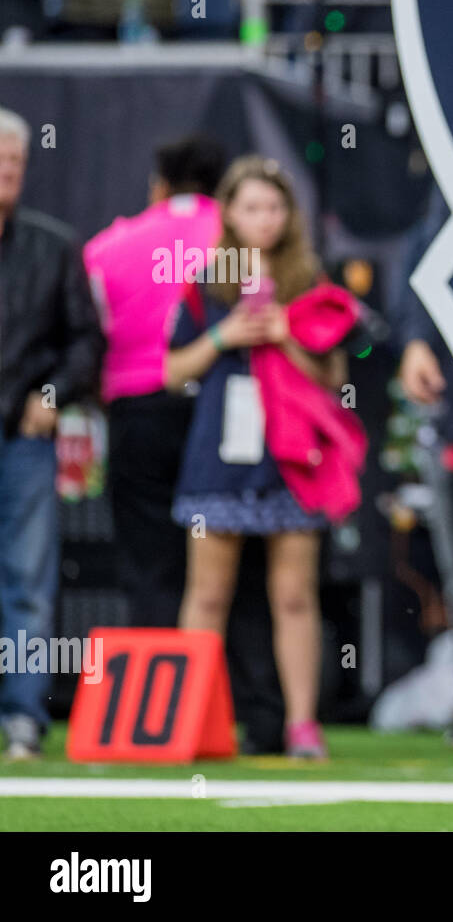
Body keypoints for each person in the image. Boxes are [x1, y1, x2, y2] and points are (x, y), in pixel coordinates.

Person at [163, 155, 352, 759]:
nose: (264, 219)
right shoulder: (205, 282)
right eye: (251, 207)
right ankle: (189, 720)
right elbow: (170, 372)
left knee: (295, 595)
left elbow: (337, 375)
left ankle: (302, 726)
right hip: (219, 455)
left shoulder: (311, 282)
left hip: (293, 458)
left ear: (288, 215)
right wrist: (224, 337)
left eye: (274, 207)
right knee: (208, 594)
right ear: (230, 214)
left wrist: (284, 337)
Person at [85, 135, 227, 630]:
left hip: (137, 416)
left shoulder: (108, 246)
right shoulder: (241, 241)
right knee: (231, 565)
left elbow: (89, 336)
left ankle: (163, 694)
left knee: (149, 566)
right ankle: (239, 698)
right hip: (221, 417)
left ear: (159, 187)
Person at [0, 106, 106, 759]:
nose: (8, 173)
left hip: (24, 436)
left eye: (15, 163)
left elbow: (86, 341)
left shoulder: (52, 244)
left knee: (27, 578)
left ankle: (23, 716)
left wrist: (52, 394)